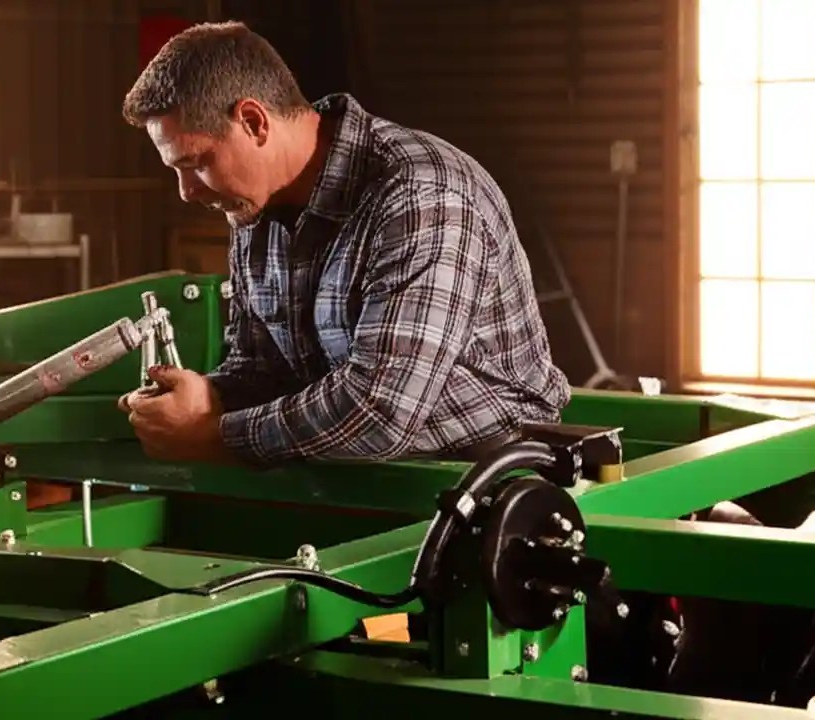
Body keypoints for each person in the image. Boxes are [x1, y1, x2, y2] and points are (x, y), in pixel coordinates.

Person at [119, 21, 569, 466]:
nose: (186, 191)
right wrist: (206, 397)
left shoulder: (420, 194)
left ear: (254, 122)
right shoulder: (254, 207)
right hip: (346, 473)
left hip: (492, 475)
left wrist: (216, 436)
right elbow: (263, 369)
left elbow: (382, 411)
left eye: (196, 163)